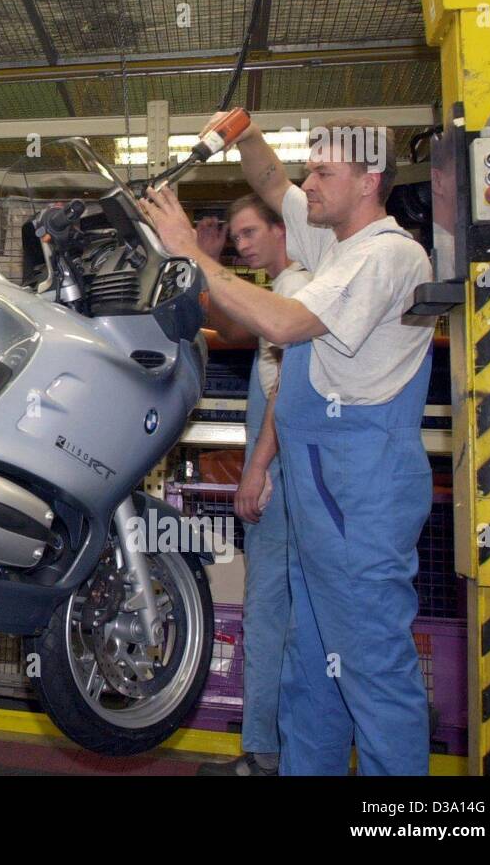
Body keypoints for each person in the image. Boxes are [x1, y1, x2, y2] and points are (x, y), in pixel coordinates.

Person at [138, 117, 435, 775]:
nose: (309, 182)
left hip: (359, 494)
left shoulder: (387, 256)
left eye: (325, 172)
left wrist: (190, 252)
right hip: (319, 490)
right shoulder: (335, 245)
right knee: (313, 666)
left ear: (371, 181)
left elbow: (283, 321)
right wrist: (242, 132)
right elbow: (270, 180)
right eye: (312, 168)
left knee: (371, 670)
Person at [194, 196, 309, 776]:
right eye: (233, 235)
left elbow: (288, 395)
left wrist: (256, 469)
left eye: (247, 232)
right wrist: (206, 264)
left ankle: (275, 752)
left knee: (279, 611)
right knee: (275, 608)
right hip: (279, 457)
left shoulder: (300, 290)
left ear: (283, 227)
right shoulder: (281, 289)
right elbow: (234, 325)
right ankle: (272, 748)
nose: (241, 243)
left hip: (282, 462)